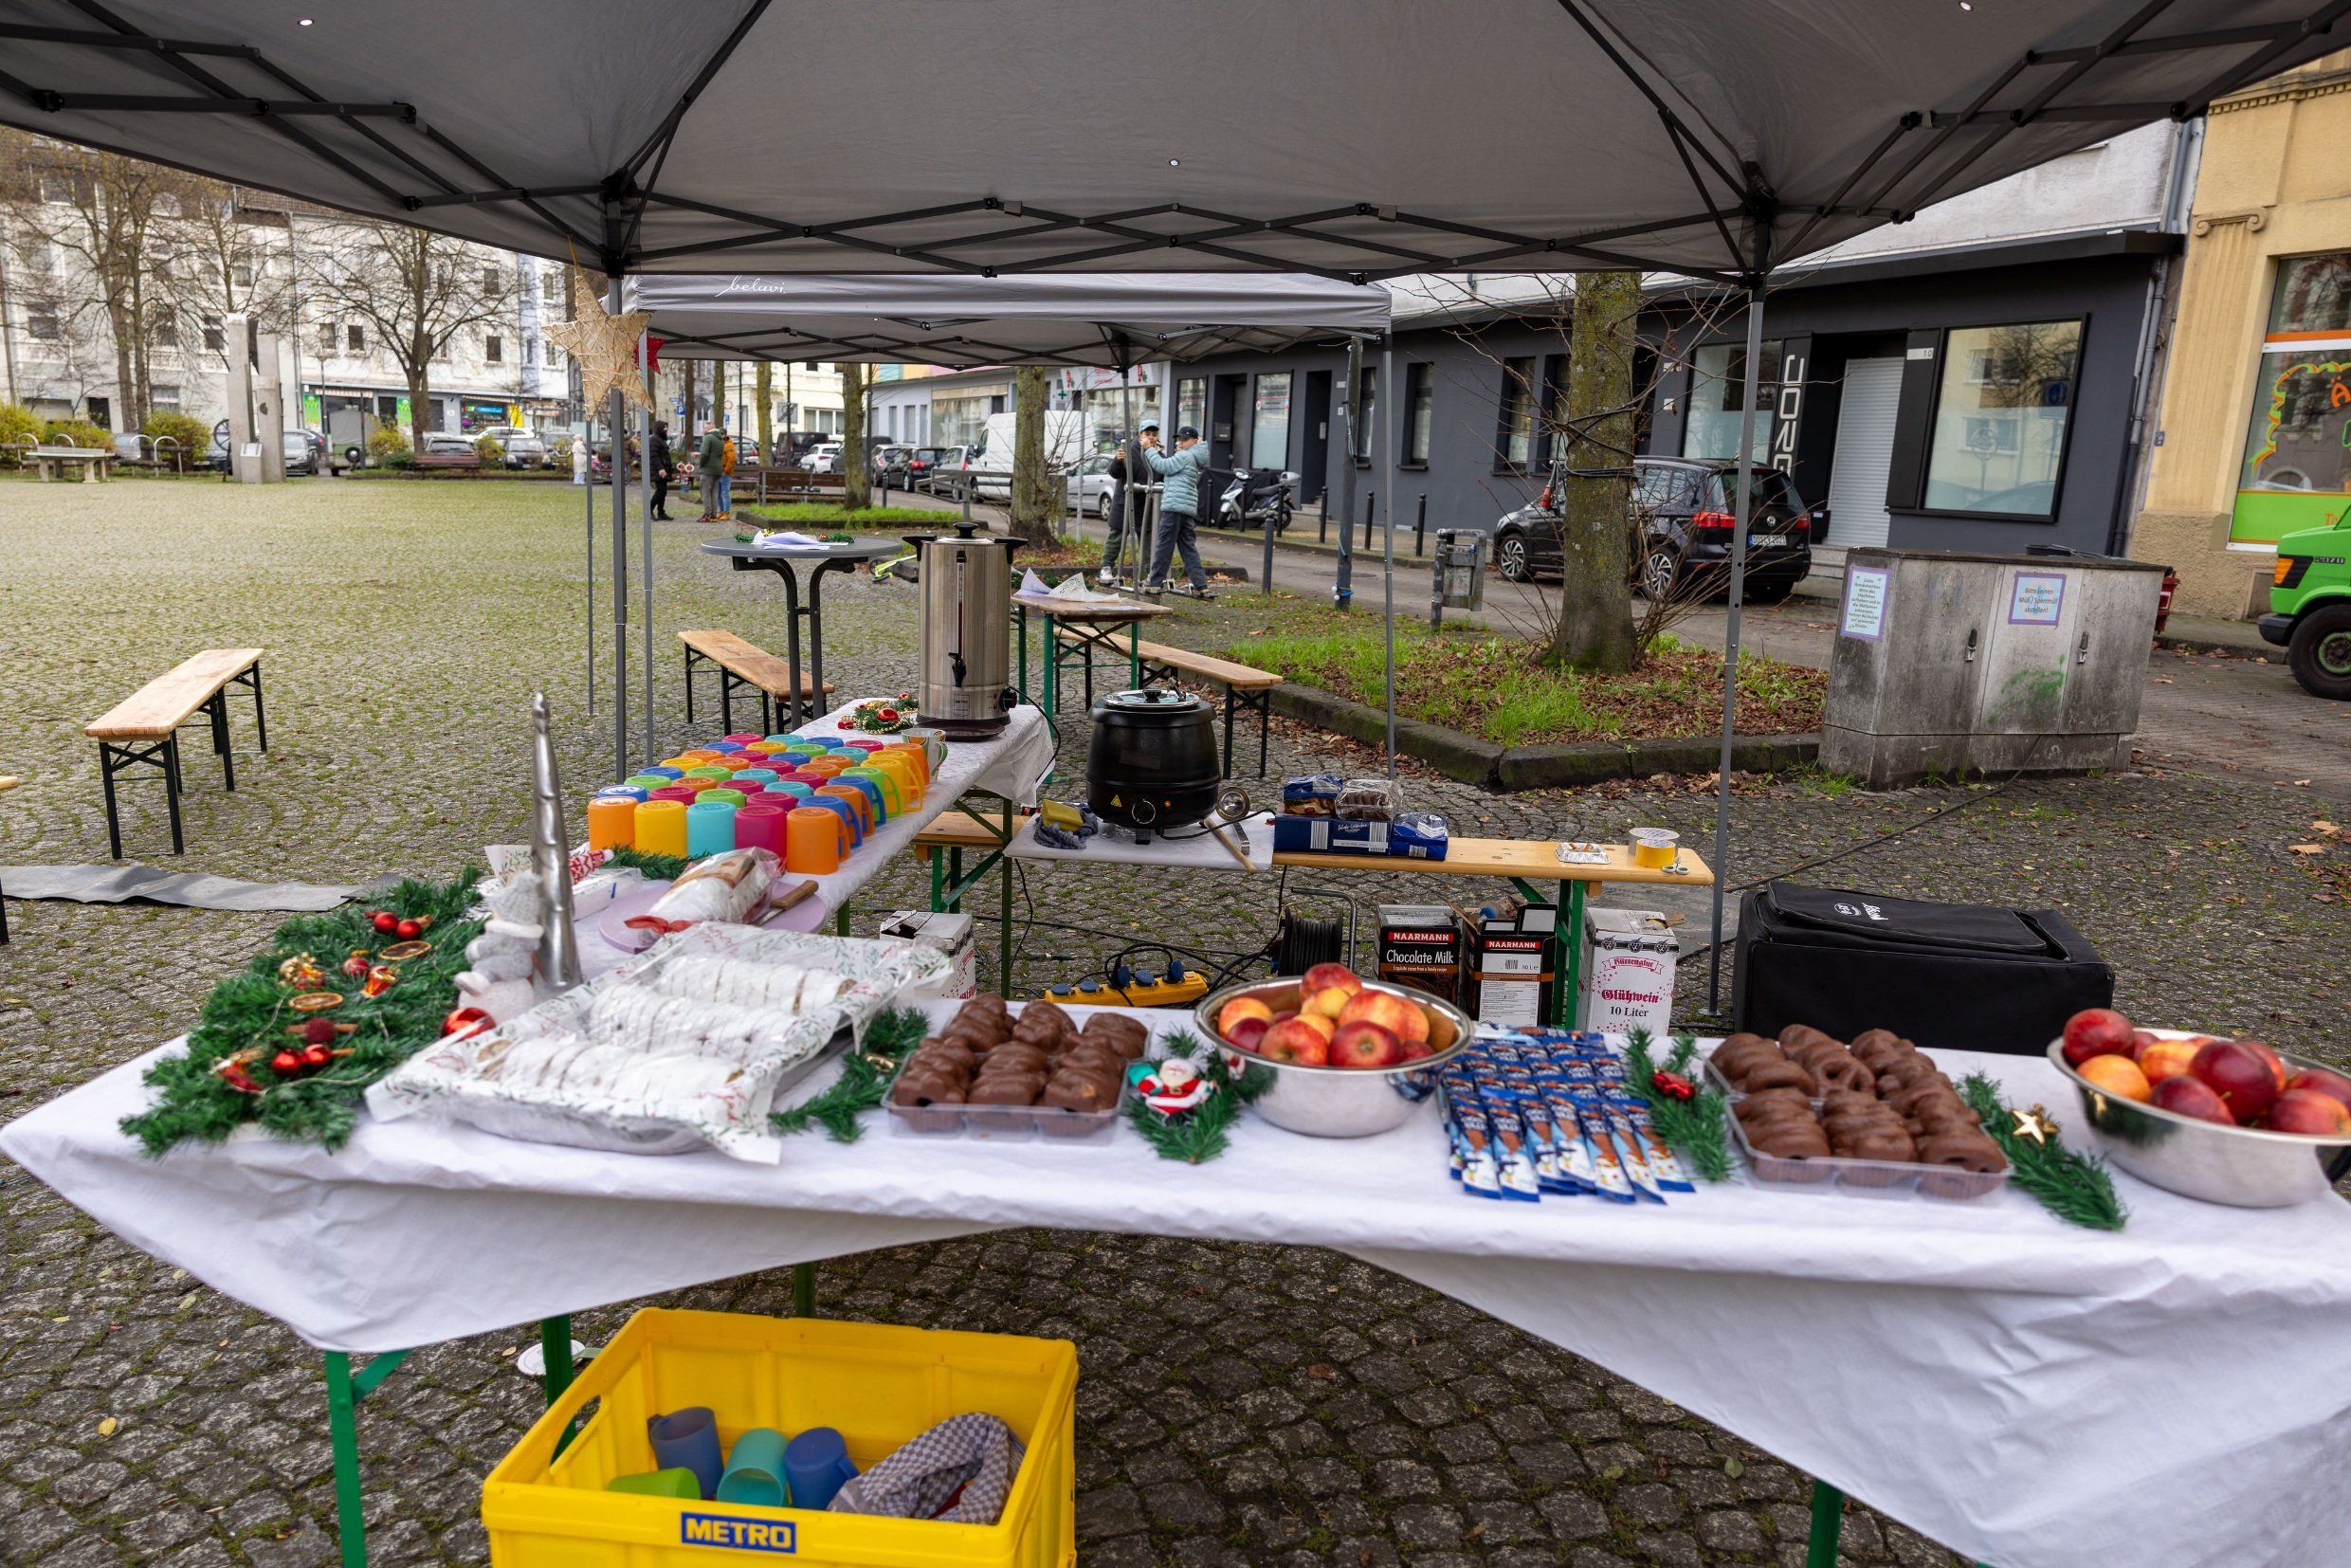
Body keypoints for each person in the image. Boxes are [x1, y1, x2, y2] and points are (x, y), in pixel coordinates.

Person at [1139, 424, 1212, 598]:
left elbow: (1162, 466)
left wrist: (1149, 449)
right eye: (1179, 439)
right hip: (1186, 509)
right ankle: (1201, 585)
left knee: (1164, 545)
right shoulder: (1194, 456)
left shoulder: (1185, 455)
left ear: (1194, 441)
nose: (1180, 442)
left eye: (1184, 440)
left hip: (1174, 507)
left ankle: (1154, 582)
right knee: (1188, 547)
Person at [1100, 419, 1157, 584]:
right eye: (1147, 434)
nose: (1151, 437)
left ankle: (1149, 573)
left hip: (1146, 505)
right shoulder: (1129, 451)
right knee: (1116, 538)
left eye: (1154, 435)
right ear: (1140, 436)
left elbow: (1160, 474)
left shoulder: (1156, 454)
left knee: (1148, 541)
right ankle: (1106, 567)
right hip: (1125, 503)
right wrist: (1118, 460)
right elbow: (1114, 472)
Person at [698, 422, 725, 520]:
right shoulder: (720, 439)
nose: (703, 430)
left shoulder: (708, 438)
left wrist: (701, 465)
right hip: (718, 469)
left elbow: (704, 454)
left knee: (706, 493)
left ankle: (707, 514)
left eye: (705, 428)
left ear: (709, 428)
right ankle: (713, 514)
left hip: (708, 469)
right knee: (714, 493)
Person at [649, 421, 674, 520]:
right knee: (660, 491)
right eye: (664, 427)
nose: (666, 429)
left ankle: (661, 512)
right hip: (659, 469)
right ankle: (649, 509)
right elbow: (654, 455)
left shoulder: (659, 439)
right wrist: (660, 468)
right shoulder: (654, 439)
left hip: (663, 468)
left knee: (663, 491)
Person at [718, 430, 737, 520]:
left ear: (725, 435)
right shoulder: (720, 444)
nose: (720, 436)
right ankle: (721, 510)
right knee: (718, 493)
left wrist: (726, 471)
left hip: (725, 473)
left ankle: (726, 512)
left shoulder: (729, 445)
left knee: (725, 493)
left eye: (721, 434)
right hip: (718, 472)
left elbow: (731, 459)